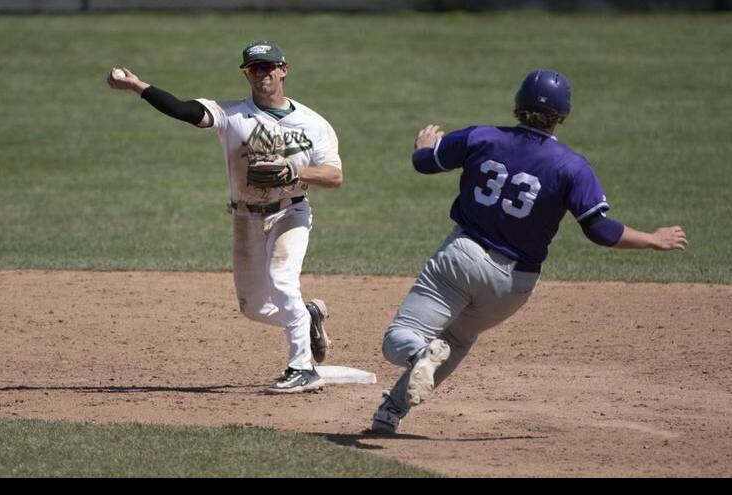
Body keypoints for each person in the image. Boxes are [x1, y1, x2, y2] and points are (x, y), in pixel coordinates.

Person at [369, 69, 688, 434]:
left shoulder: (481, 137)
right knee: (455, 340)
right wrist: (653, 238)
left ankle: (417, 356)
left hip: (462, 260)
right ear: (562, 114)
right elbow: (599, 230)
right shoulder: (572, 166)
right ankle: (390, 412)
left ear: (518, 104)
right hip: (513, 287)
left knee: (401, 339)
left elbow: (425, 164)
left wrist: (424, 146)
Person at [106, 41, 343, 393]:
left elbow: (334, 176)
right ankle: (307, 318)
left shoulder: (314, 123)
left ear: (284, 70)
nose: (261, 74)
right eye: (254, 69)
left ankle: (301, 367)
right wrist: (137, 86)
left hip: (290, 213)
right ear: (247, 74)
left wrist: (294, 171)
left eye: (268, 67)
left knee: (282, 280)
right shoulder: (231, 115)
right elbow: (184, 110)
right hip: (245, 219)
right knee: (253, 307)